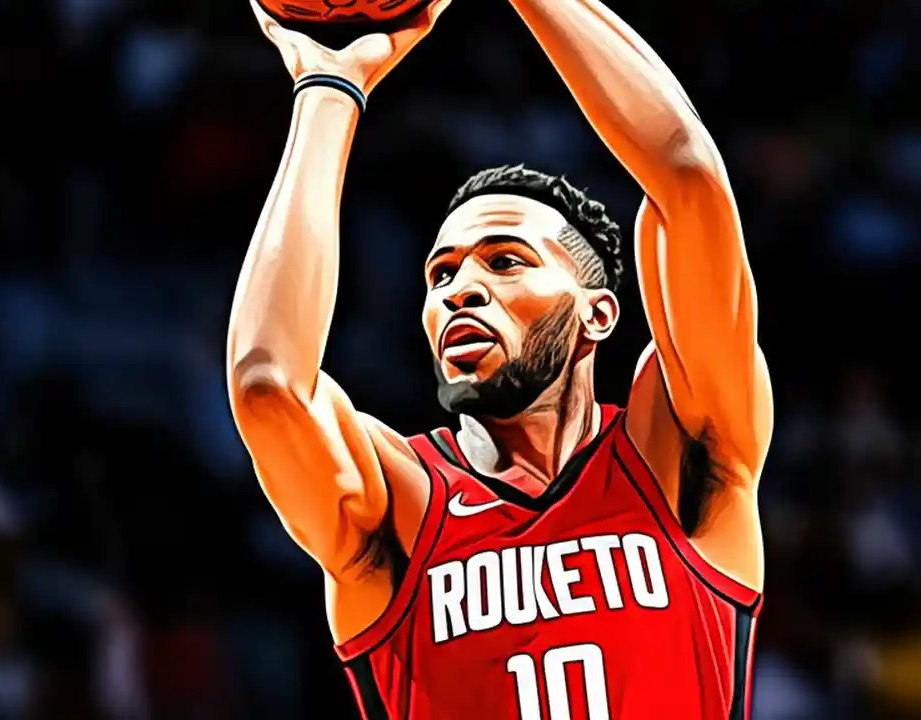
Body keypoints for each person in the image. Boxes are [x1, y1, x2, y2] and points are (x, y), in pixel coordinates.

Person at [226, 0, 772, 717]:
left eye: (505, 261)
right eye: (441, 274)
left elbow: (688, 178)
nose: (462, 290)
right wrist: (330, 87)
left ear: (597, 314)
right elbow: (268, 385)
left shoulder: (675, 455)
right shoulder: (403, 506)